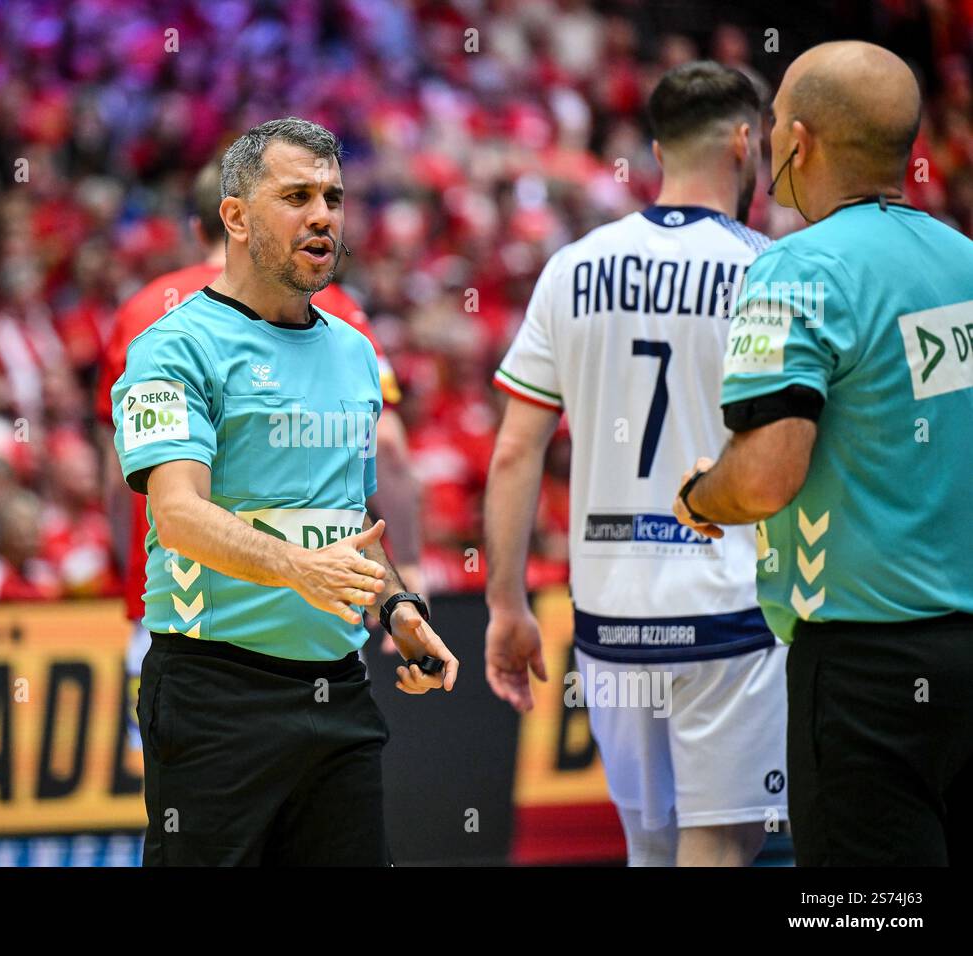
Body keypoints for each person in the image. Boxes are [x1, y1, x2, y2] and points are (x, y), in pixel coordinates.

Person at [112, 117, 457, 866]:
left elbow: (351, 521)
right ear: (234, 217)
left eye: (332, 197)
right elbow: (176, 516)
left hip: (339, 693)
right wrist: (302, 569)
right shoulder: (172, 348)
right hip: (214, 696)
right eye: (296, 195)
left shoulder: (356, 353)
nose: (323, 216)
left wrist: (395, 604)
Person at [671, 41, 973, 866]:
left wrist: (701, 497)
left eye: (772, 125)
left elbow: (766, 477)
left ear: (798, 141)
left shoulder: (795, 270)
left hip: (865, 670)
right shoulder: (964, 260)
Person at [485, 62, 786, 866]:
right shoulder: (768, 270)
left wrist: (506, 605)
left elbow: (517, 448)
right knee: (721, 844)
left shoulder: (571, 267)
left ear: (656, 149)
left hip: (611, 618)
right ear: (744, 141)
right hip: (729, 608)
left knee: (650, 851)